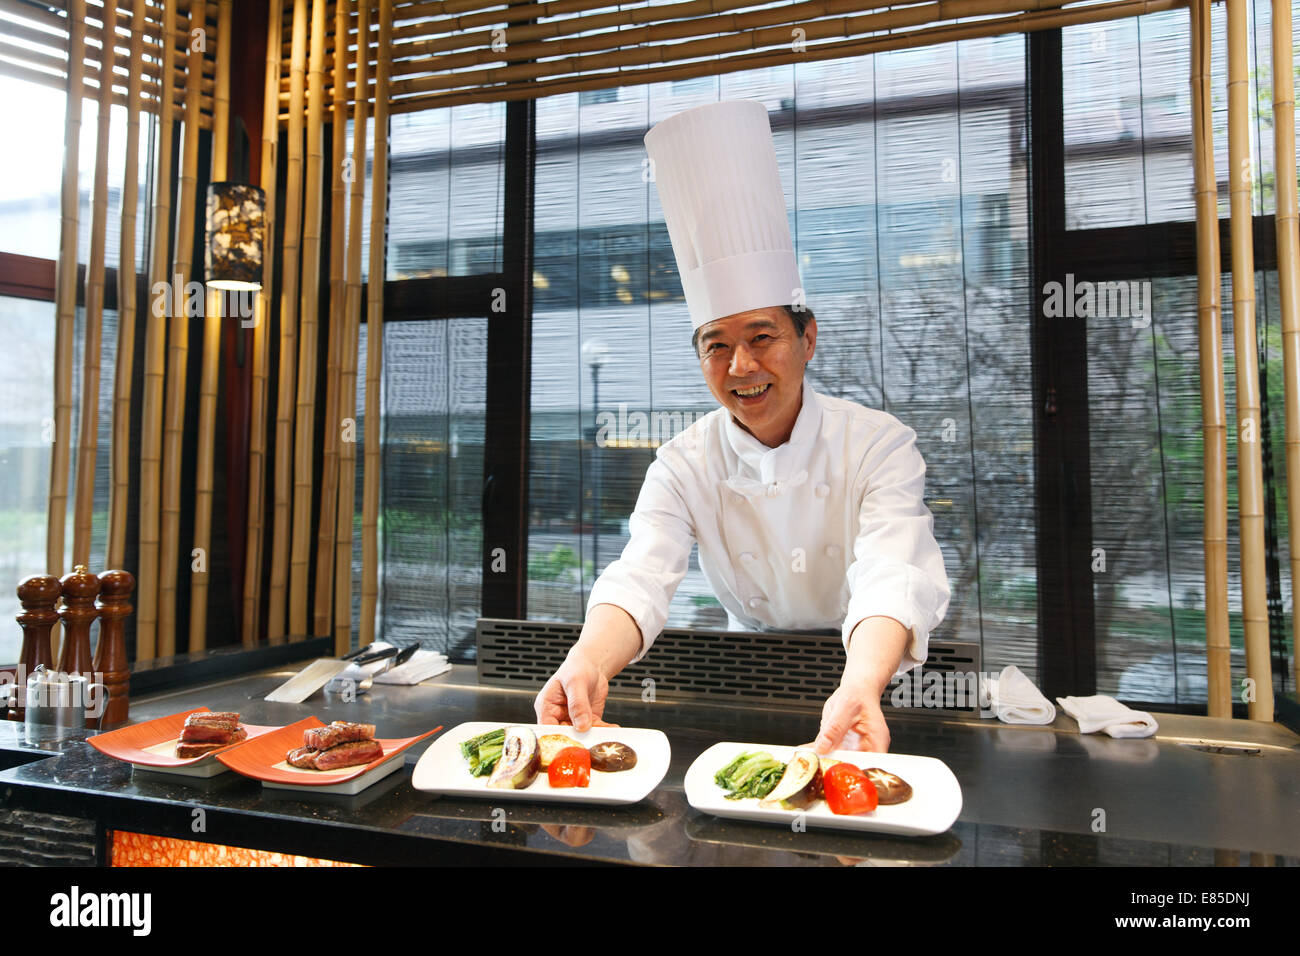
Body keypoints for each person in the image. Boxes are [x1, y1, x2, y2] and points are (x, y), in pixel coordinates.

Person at [534, 100, 950, 755]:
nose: (742, 366)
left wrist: (863, 682)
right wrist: (588, 660)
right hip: (745, 677)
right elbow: (641, 575)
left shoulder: (877, 443)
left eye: (762, 336)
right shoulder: (682, 461)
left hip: (866, 672)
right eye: (716, 345)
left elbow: (893, 572)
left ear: (807, 337)